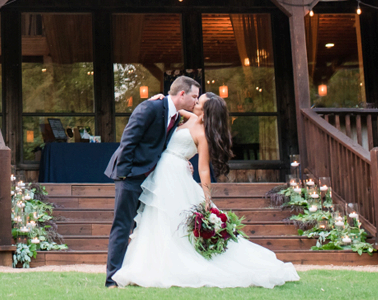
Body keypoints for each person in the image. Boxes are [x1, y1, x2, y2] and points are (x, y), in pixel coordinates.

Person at [112, 93, 300, 288]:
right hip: (162, 170)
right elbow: (171, 106)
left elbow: (203, 169)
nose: (195, 102)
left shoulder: (203, 135)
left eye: (199, 101)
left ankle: (169, 265)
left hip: (175, 175)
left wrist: (207, 198)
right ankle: (150, 262)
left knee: (169, 218)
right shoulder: (190, 117)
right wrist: (156, 99)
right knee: (157, 216)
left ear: (206, 108)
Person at [103, 76, 201, 288]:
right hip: (130, 177)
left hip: (153, 180)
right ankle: (112, 279)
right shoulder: (150, 108)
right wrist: (124, 174)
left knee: (145, 227)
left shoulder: (176, 116)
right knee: (123, 226)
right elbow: (128, 140)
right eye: (194, 96)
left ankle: (135, 273)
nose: (196, 101)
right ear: (182, 94)